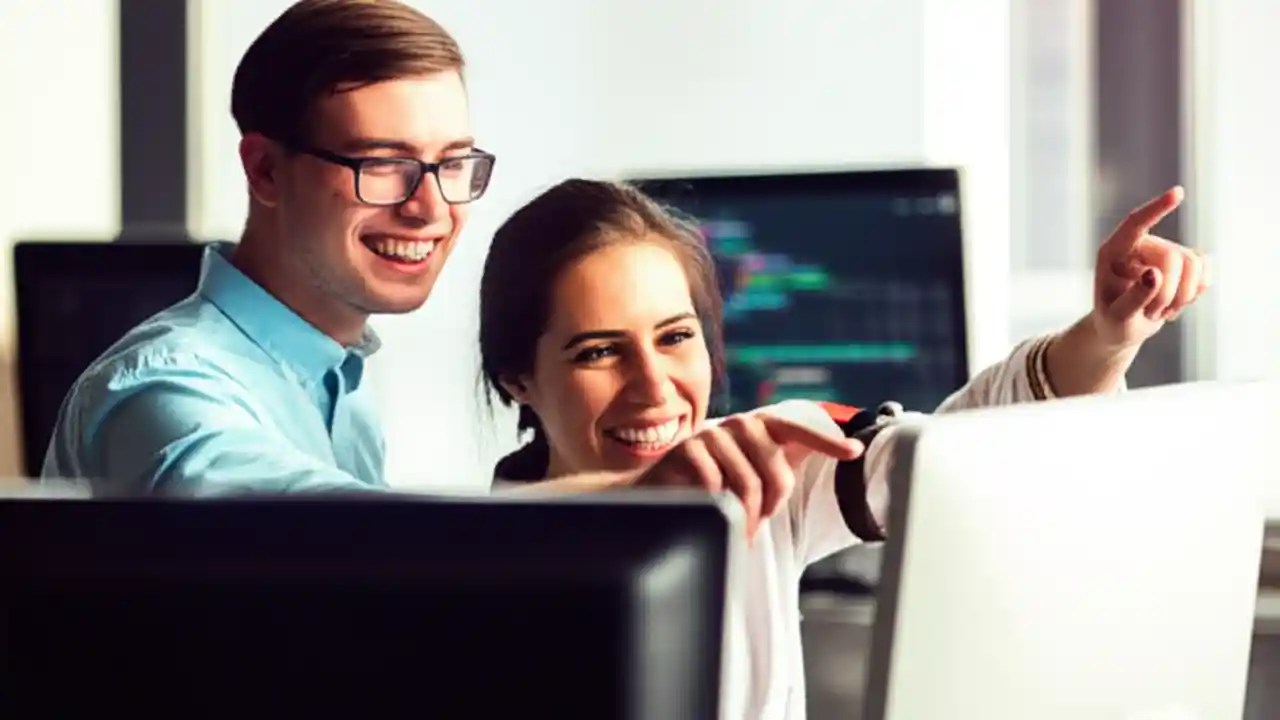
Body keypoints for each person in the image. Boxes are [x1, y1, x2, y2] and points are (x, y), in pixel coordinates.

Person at [38, 0, 854, 499]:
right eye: (383, 165)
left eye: (450, 164)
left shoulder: (338, 378)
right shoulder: (164, 393)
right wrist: (640, 495)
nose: (430, 207)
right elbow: (313, 536)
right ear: (266, 169)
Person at [477, 178, 1207, 719]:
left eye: (676, 337)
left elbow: (950, 453)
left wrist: (1108, 336)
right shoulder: (477, 572)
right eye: (599, 352)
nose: (654, 388)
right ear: (518, 377)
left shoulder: (756, 479)